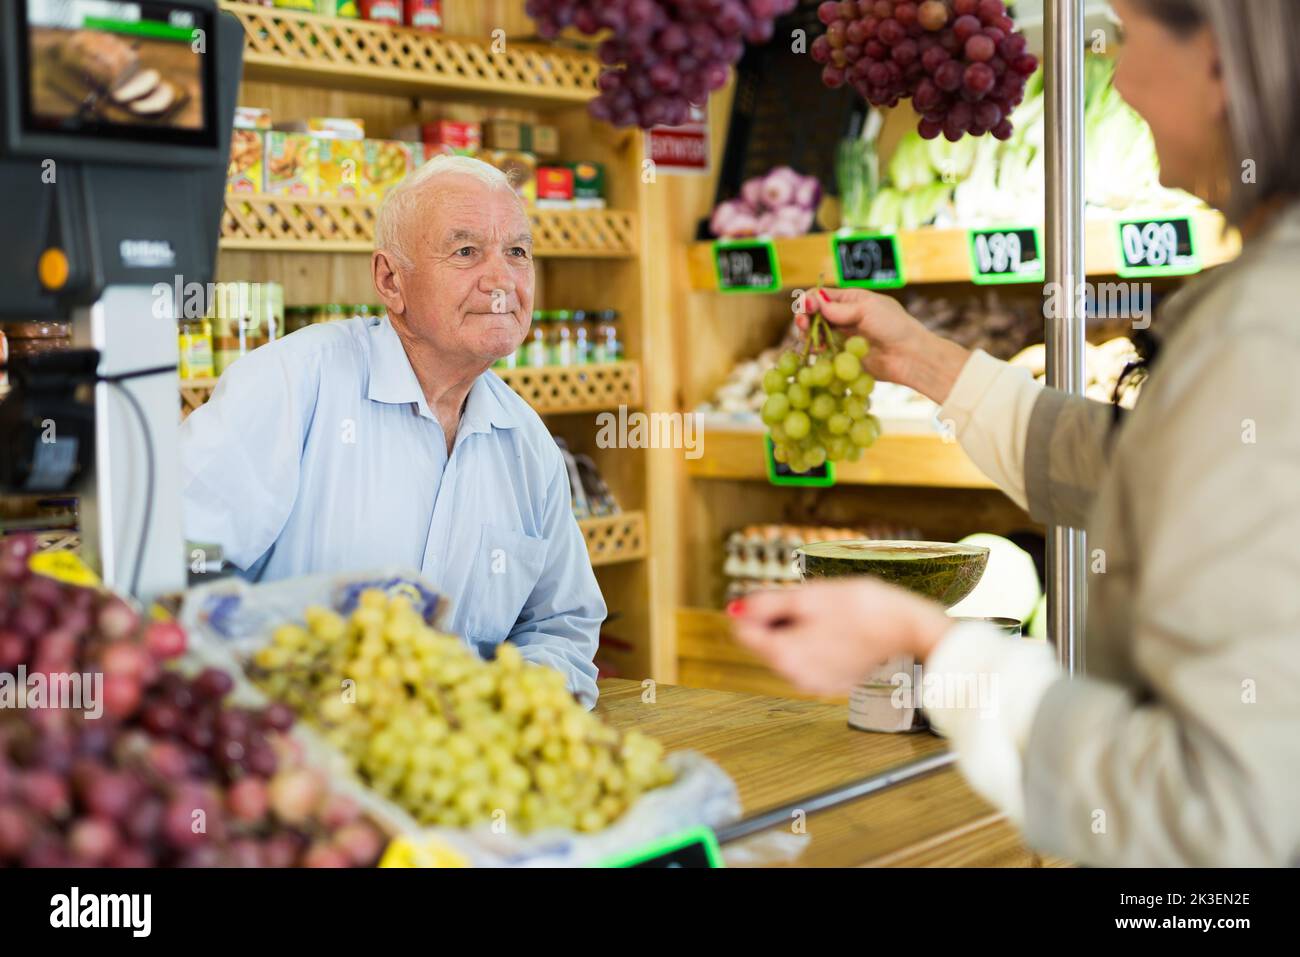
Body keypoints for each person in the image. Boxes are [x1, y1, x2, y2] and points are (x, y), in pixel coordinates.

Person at [731, 0, 1300, 866]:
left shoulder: (1261, 333)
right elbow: (1138, 471)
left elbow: (1217, 810)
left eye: (1134, 43)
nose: (1124, 85)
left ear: (1221, 66)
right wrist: (924, 359)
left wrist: (937, 645)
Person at [181, 156, 606, 707]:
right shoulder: (293, 383)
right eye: (466, 251)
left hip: (446, 765)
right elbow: (174, 571)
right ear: (390, 280)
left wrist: (496, 703)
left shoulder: (527, 444)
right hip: (284, 754)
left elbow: (561, 626)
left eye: (518, 252)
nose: (502, 280)